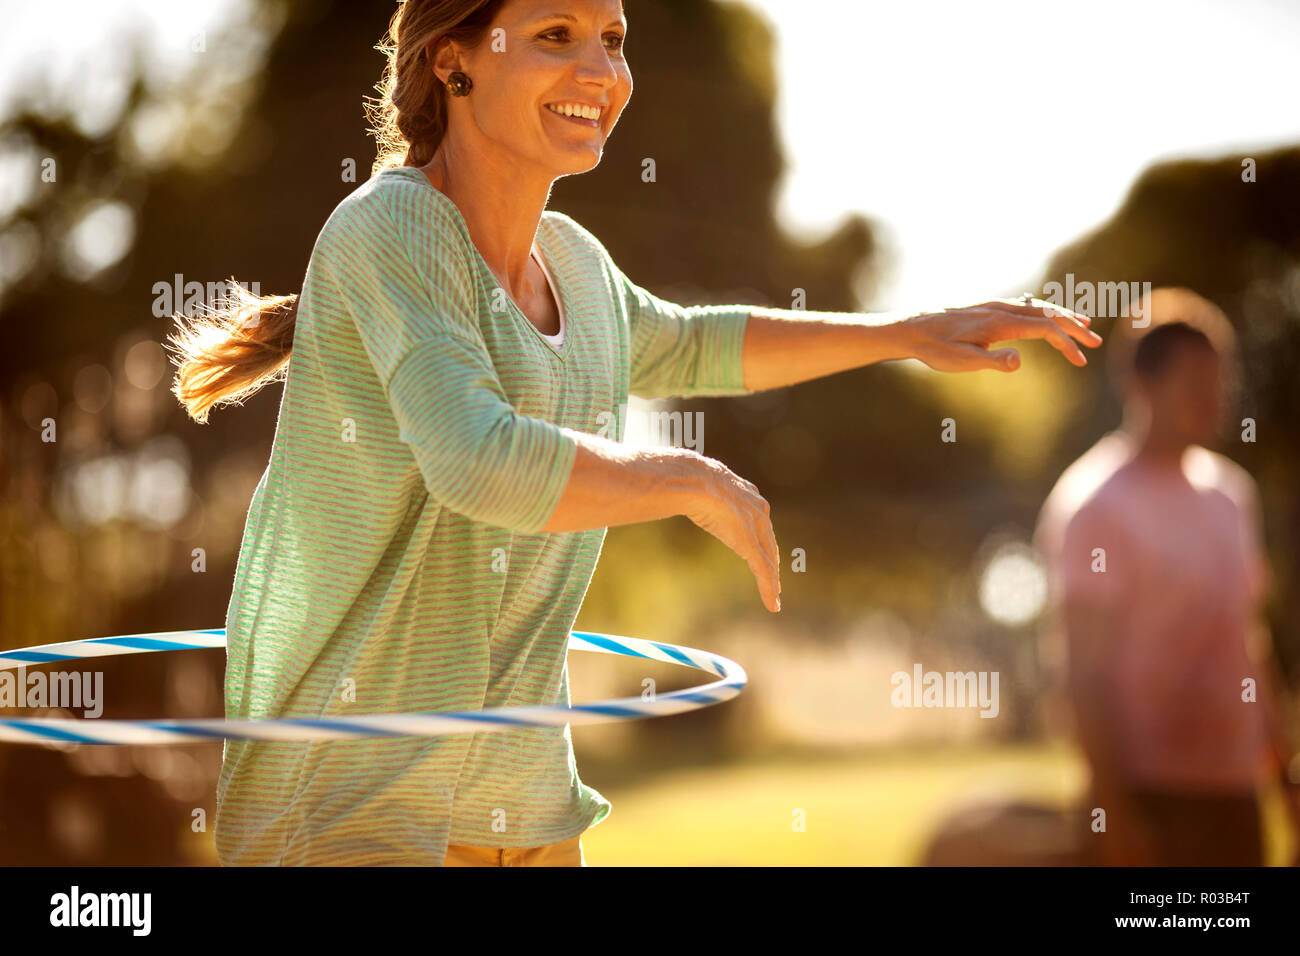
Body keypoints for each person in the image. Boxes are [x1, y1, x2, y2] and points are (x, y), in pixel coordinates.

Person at [166, 0, 1100, 866]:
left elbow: (698, 342)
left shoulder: (575, 264)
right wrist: (686, 479)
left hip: (523, 809)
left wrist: (908, 333)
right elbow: (476, 459)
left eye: (612, 39)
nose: (600, 69)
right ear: (454, 62)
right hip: (359, 807)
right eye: (556, 35)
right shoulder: (393, 229)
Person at [1035, 288, 1300, 865]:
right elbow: (1083, 672)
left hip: (1232, 795)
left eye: (1221, 382)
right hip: (1146, 797)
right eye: (1195, 384)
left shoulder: (1232, 495)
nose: (1215, 398)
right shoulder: (1096, 504)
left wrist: (1284, 779)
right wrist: (1117, 815)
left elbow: (1249, 645)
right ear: (1142, 385)